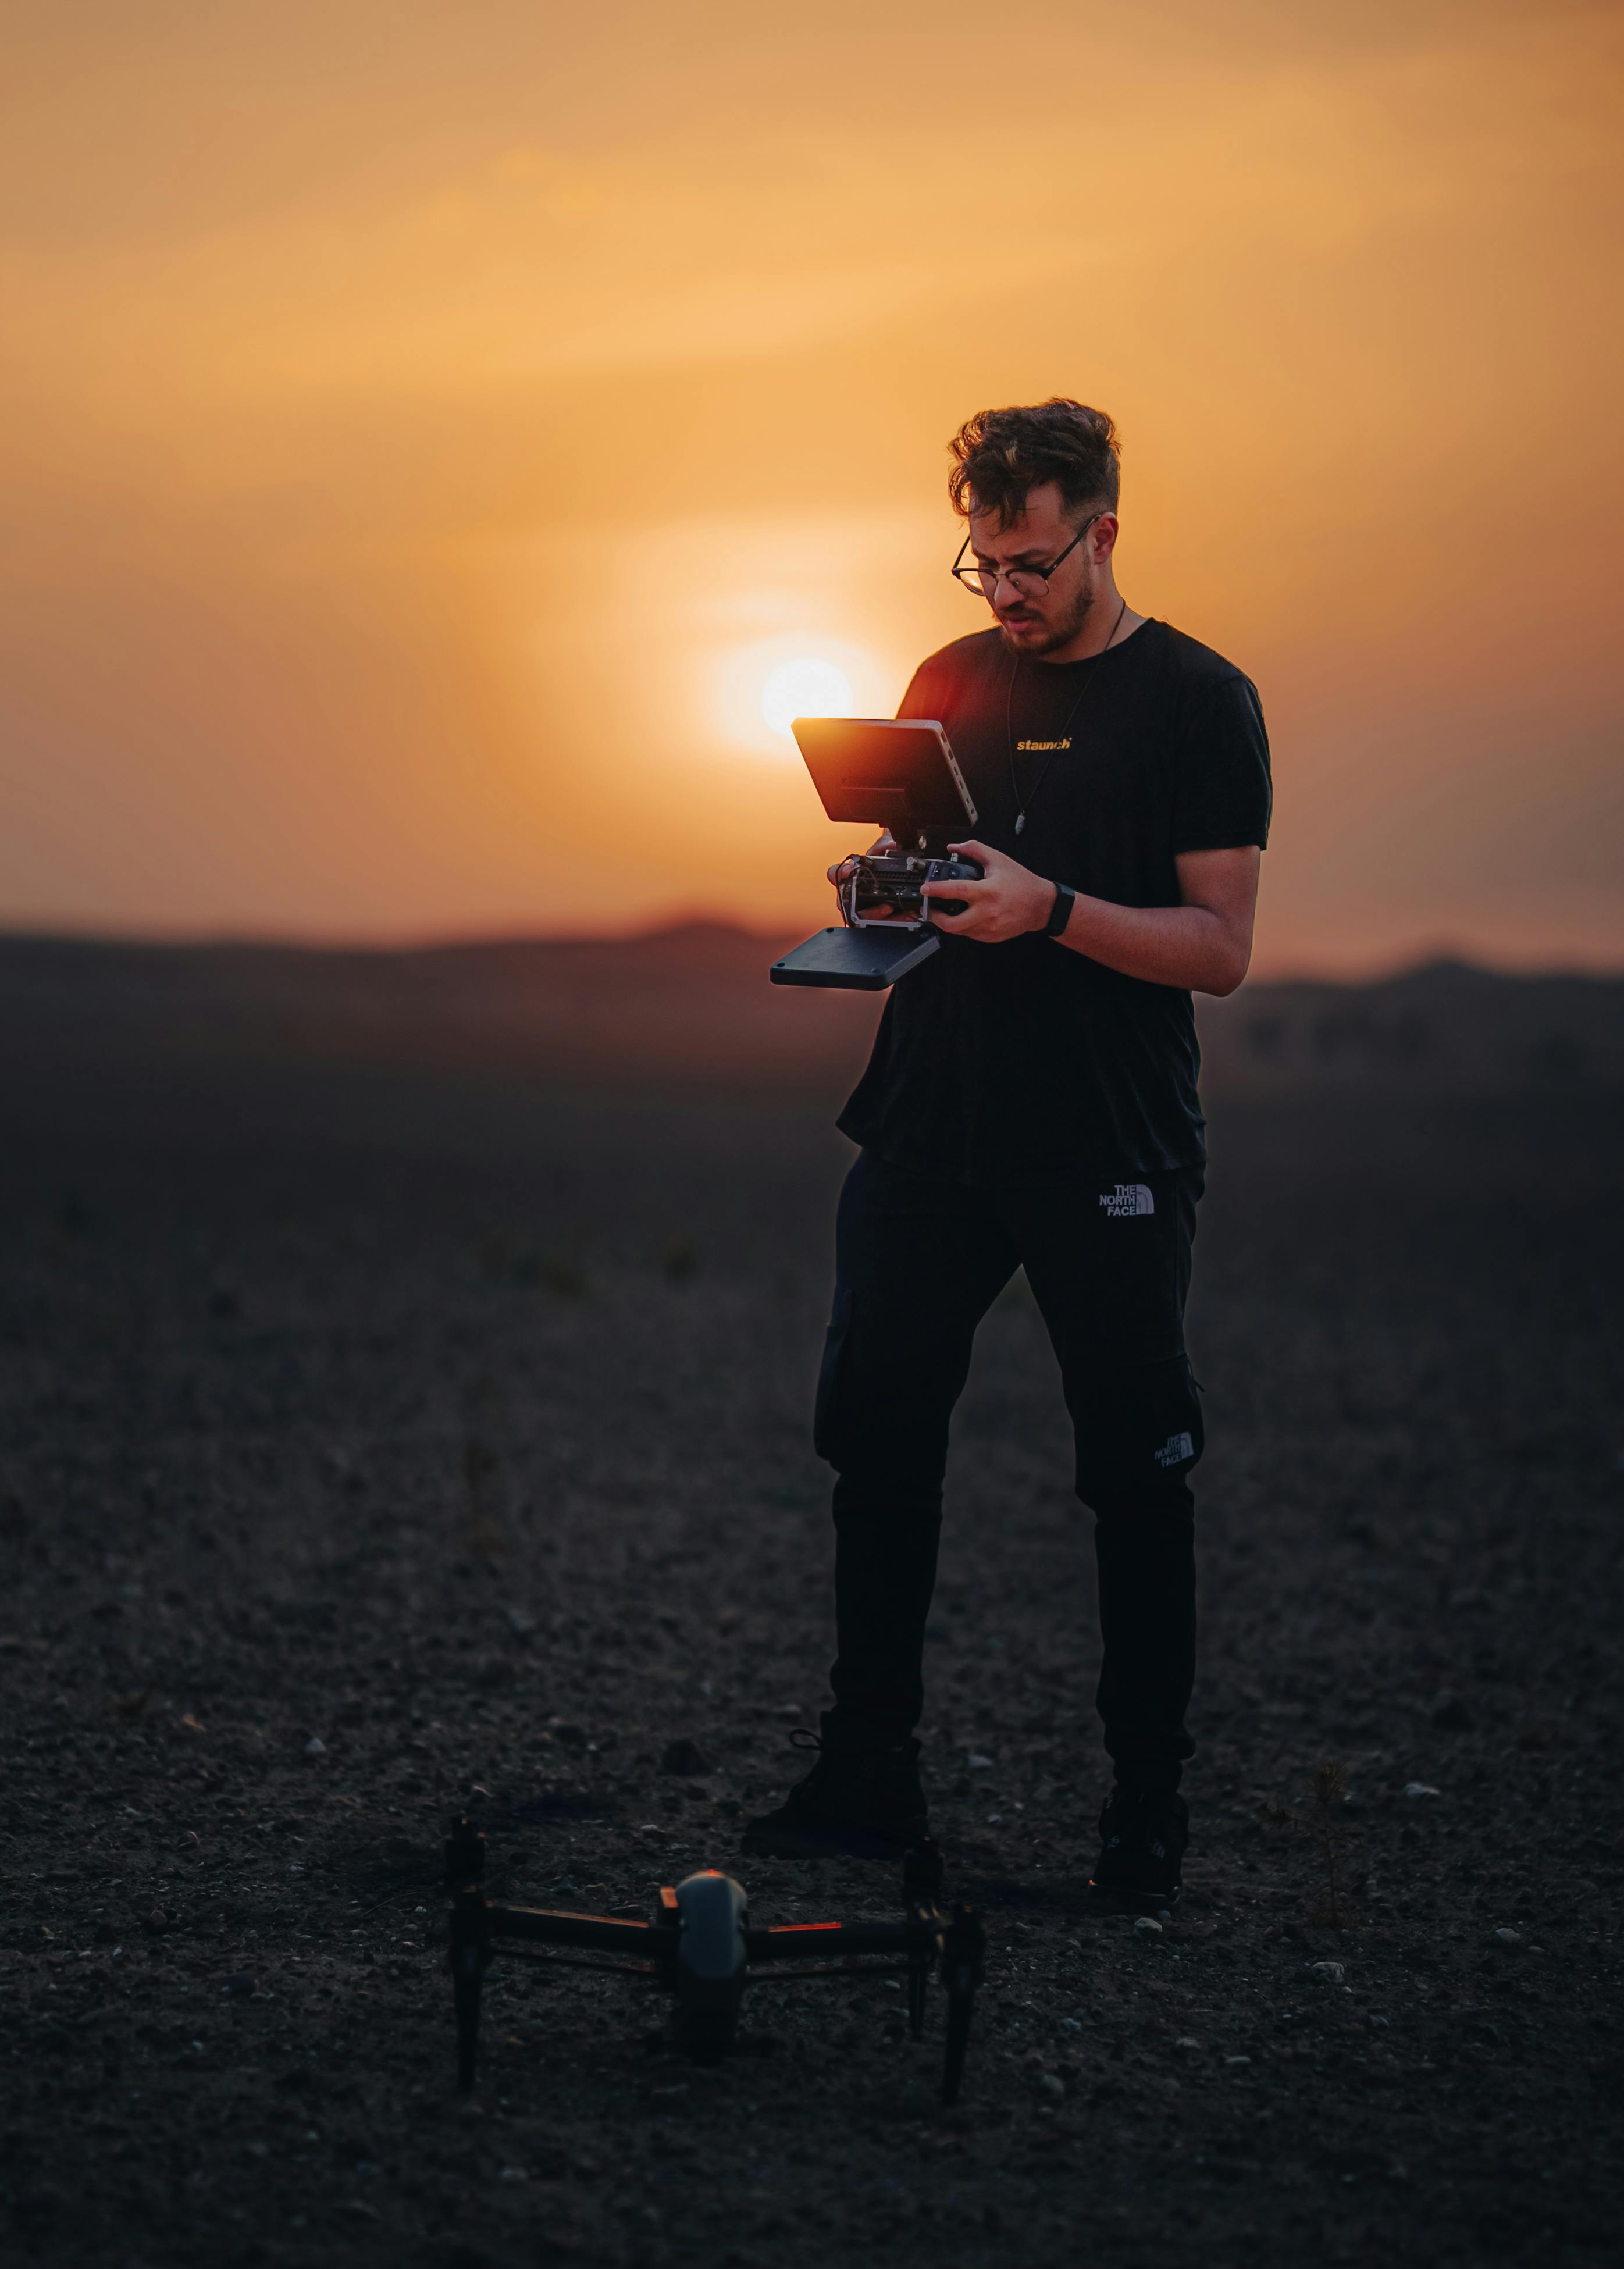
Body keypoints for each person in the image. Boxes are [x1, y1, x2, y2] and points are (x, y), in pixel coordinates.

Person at [743, 398, 1272, 1906]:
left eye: (1031, 562)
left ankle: (1144, 1810)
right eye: (982, 565)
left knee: (1135, 1473)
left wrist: (1050, 909)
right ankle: (867, 1779)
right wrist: (892, 889)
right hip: (928, 1124)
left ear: (1101, 531)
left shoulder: (1197, 703)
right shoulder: (949, 678)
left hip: (1105, 1136)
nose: (1006, 593)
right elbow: (945, 874)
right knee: (878, 1443)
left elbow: (1220, 950)